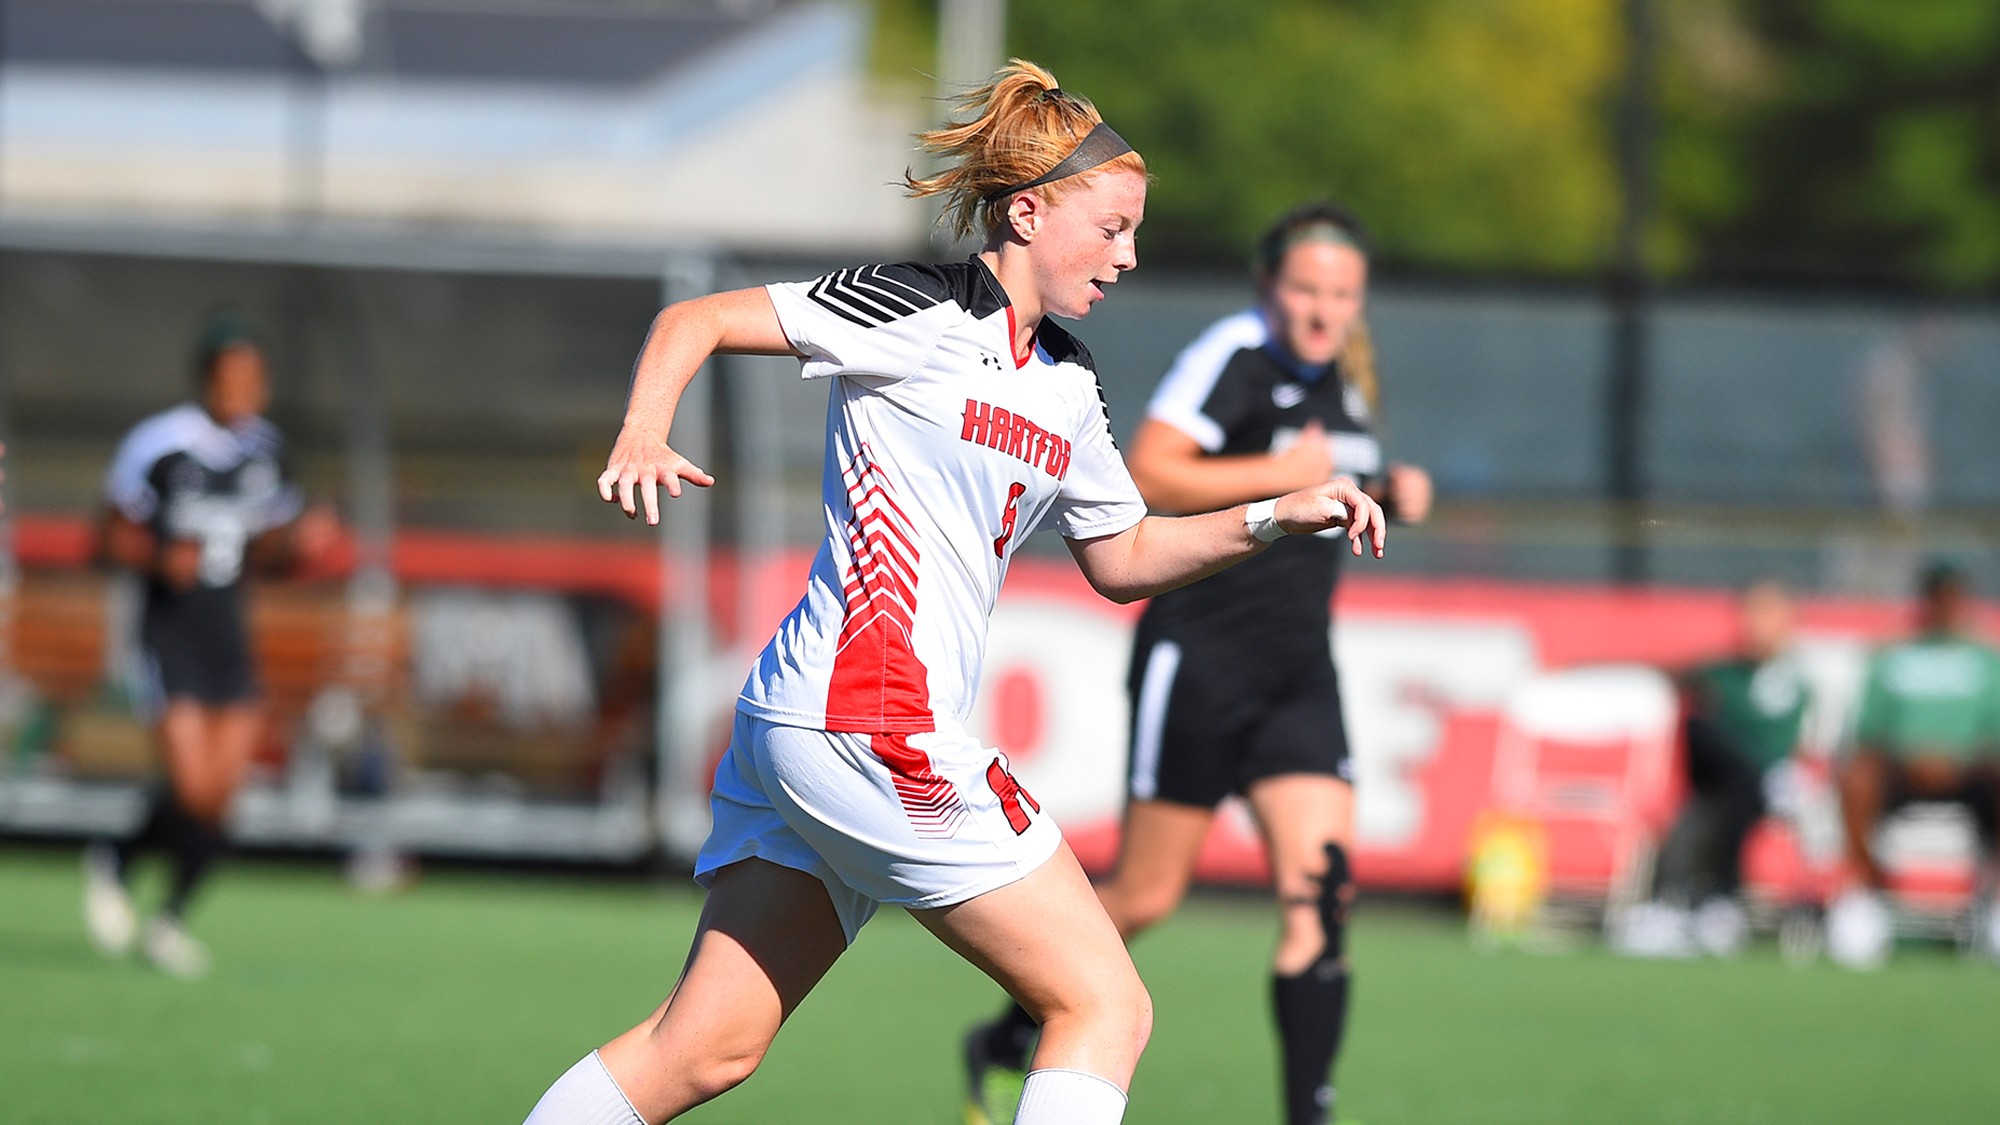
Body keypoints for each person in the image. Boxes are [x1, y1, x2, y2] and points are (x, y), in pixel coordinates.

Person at [519, 61, 1386, 1125]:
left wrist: (1269, 513)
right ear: (1027, 212)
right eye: (1110, 228)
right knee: (1103, 1006)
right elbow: (694, 319)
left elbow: (1121, 558)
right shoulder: (911, 307)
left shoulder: (1067, 380)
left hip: (826, 725)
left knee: (699, 1054)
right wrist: (644, 429)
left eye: (1134, 232)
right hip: (865, 718)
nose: (1127, 255)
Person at [963, 201, 1430, 1125]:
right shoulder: (1235, 355)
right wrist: (1278, 474)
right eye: (1306, 287)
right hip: (1203, 659)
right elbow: (1152, 472)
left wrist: (1391, 491)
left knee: (1321, 895)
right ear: (1270, 287)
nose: (1323, 307)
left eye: (1341, 293)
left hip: (1299, 673)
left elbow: (1331, 481)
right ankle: (1013, 1033)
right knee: (1146, 893)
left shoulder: (1346, 375)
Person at [82, 316, 337, 978]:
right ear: (205, 380)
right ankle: (115, 855)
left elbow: (266, 554)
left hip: (230, 637)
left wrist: (302, 545)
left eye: (252, 380)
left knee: (223, 798)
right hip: (169, 634)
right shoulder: (158, 445)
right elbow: (105, 539)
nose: (240, 391)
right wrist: (159, 556)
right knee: (194, 788)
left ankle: (166, 920)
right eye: (229, 379)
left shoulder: (269, 452)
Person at [1610, 580, 1811, 959]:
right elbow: (1659, 672)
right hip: (1726, 784)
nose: (1757, 623)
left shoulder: (1797, 683)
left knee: (1719, 803)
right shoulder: (1718, 673)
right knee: (1700, 730)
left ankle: (1678, 904)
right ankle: (1717, 902)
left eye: (1768, 613)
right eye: (1752, 612)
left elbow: (1797, 742)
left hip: (1756, 794)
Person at [1827, 561, 2000, 969]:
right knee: (1855, 779)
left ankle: (1995, 903)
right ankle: (1866, 896)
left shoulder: (1987, 661)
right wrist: (1914, 755)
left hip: (1970, 772)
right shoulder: (1891, 658)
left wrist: (1956, 758)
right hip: (1901, 770)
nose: (1944, 606)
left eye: (1952, 596)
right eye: (1936, 596)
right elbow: (1867, 732)